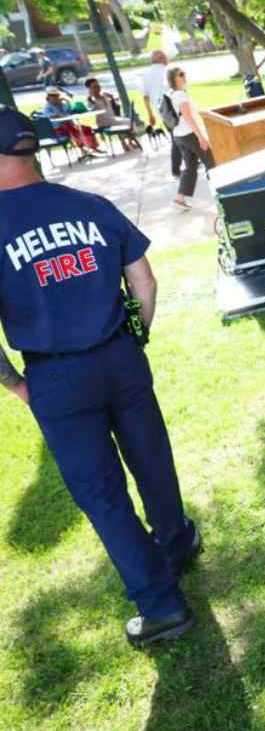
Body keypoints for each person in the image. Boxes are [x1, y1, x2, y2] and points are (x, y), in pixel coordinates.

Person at [0, 106, 203, 647]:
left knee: (103, 494)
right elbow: (145, 282)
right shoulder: (89, 204)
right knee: (151, 459)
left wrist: (16, 384)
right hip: (120, 356)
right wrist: (136, 338)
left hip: (56, 375)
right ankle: (176, 542)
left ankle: (161, 606)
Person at [165, 67, 216, 210]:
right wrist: (201, 137)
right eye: (180, 74)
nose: (184, 76)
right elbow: (188, 118)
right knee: (211, 162)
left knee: (190, 167)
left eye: (184, 73)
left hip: (178, 135)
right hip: (189, 134)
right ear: (174, 79)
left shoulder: (170, 93)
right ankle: (220, 194)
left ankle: (179, 198)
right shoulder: (180, 95)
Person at [141, 50, 182, 178]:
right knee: (179, 137)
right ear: (162, 58)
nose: (167, 59)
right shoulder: (168, 71)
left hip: (162, 111)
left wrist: (150, 115)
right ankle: (176, 169)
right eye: (166, 57)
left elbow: (145, 97)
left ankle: (189, 161)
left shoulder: (146, 74)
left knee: (180, 136)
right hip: (175, 108)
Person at [42, 88, 102, 157]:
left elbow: (68, 112)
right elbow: (50, 116)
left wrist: (67, 102)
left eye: (57, 95)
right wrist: (60, 115)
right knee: (74, 130)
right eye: (53, 96)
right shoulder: (47, 106)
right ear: (48, 97)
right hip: (57, 128)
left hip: (68, 125)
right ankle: (83, 149)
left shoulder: (60, 104)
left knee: (86, 128)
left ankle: (93, 147)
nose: (55, 97)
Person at [84, 78, 140, 153]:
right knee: (123, 124)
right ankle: (124, 144)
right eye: (95, 86)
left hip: (112, 118)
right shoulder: (91, 99)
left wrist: (112, 98)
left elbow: (114, 97)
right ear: (90, 89)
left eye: (98, 85)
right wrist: (92, 97)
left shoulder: (103, 94)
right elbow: (90, 108)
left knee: (130, 122)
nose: (98, 88)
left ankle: (129, 142)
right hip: (103, 121)